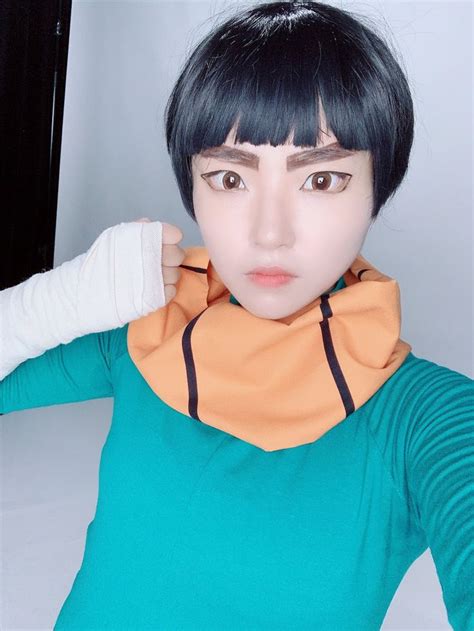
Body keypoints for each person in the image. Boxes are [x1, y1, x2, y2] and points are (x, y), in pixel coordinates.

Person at [1, 1, 473, 629]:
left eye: (322, 181)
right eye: (229, 178)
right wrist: (62, 300)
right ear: (192, 186)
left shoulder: (424, 418)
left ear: (375, 189)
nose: (269, 234)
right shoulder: (146, 335)